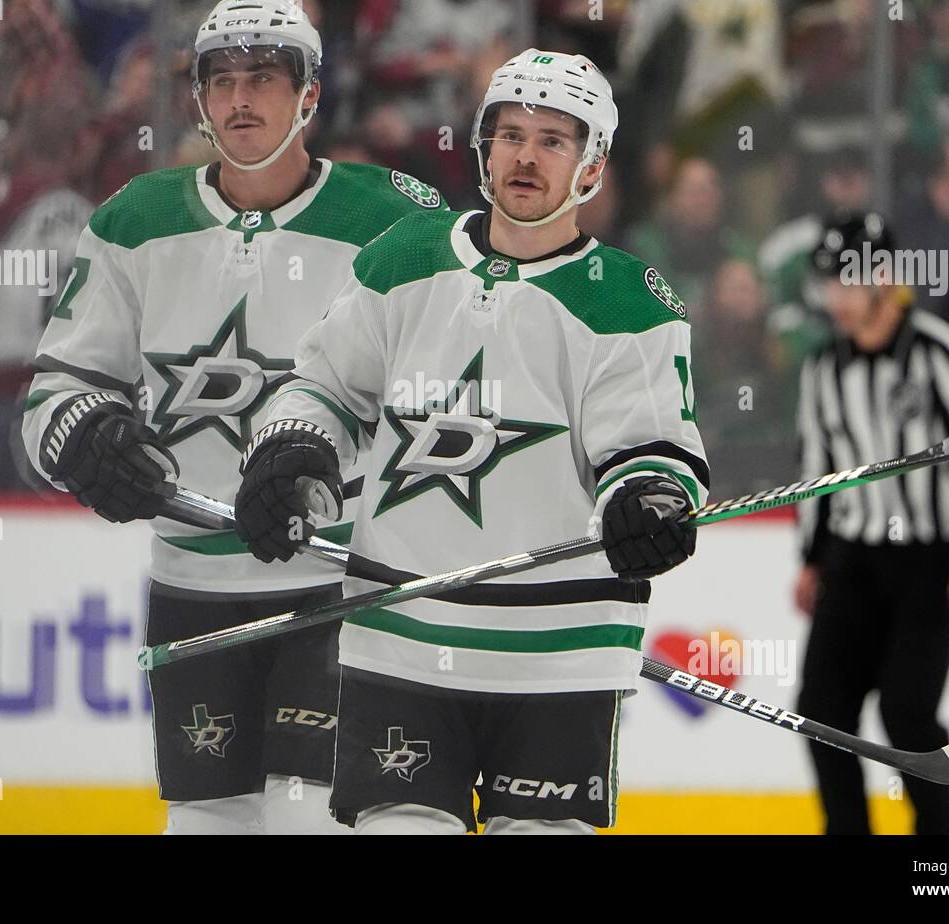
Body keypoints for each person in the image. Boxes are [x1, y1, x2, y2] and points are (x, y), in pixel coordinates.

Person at [234, 50, 708, 834]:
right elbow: (324, 390)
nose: (526, 155)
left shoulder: (629, 300)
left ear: (591, 167)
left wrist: (647, 503)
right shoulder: (405, 256)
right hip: (402, 643)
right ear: (481, 146)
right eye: (510, 134)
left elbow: (654, 451)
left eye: (555, 140)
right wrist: (293, 449)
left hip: (562, 655)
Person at [20, 0, 447, 835]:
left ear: (312, 96)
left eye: (265, 76)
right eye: (221, 80)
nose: (241, 98)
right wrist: (84, 436)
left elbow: (453, 387)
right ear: (198, 100)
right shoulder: (133, 223)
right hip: (192, 582)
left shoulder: (396, 224)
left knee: (302, 820)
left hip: (336, 582)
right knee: (205, 826)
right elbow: (53, 397)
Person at [793, 212, 949, 834]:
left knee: (908, 713)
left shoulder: (941, 353)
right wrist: (811, 561)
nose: (835, 297)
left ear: (884, 278)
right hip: (852, 561)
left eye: (846, 281)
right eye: (827, 283)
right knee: (821, 711)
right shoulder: (822, 370)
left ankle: (938, 856)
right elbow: (819, 471)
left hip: (928, 561)